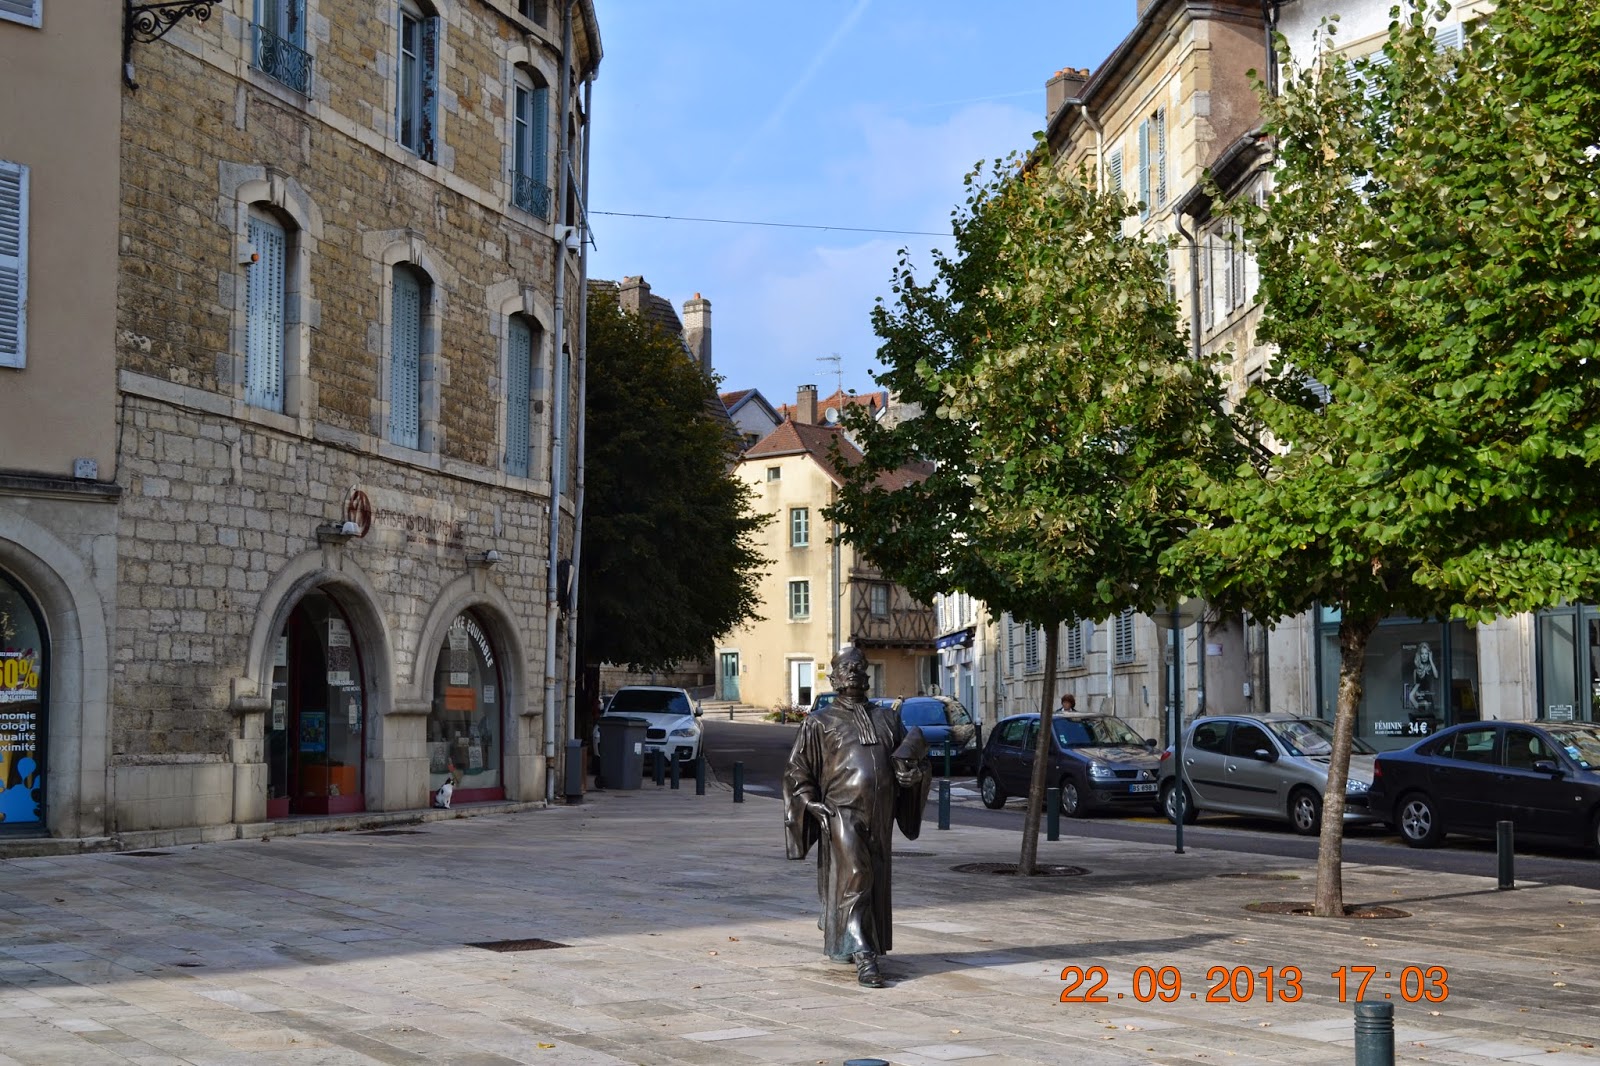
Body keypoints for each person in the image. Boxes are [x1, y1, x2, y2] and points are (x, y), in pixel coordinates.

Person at [782, 646, 931, 987]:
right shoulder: (819, 722)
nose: (852, 672)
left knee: (871, 877)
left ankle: (845, 933)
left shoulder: (888, 718)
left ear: (867, 675)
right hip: (841, 811)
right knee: (856, 873)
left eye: (858, 667)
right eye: (845, 667)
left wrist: (914, 776)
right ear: (833, 677)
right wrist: (809, 801)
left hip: (881, 812)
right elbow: (796, 770)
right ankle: (865, 956)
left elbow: (908, 761)